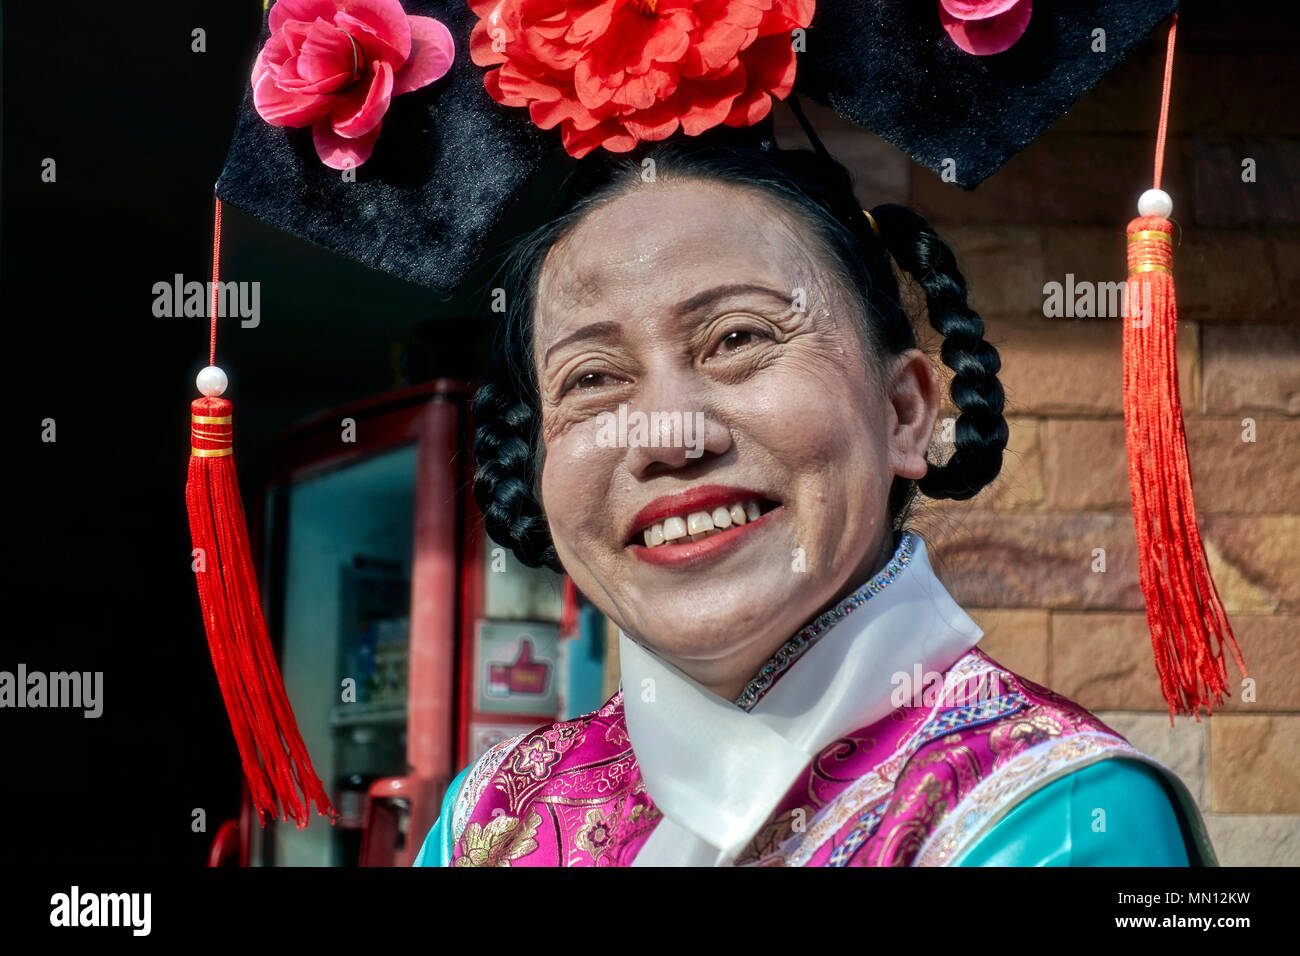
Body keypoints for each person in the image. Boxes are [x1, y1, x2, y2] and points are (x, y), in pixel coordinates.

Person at [411, 141, 1215, 867]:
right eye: (592, 378)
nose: (668, 434)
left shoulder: (1057, 817)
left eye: (738, 338)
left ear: (903, 413)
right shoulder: (487, 816)